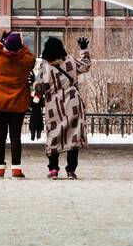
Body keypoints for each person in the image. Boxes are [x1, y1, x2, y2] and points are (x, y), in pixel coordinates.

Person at [34, 35, 92, 179]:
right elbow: (85, 66)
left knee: (54, 135)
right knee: (73, 137)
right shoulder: (71, 62)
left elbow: (37, 89)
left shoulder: (45, 70)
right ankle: (71, 170)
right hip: (73, 104)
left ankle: (53, 169)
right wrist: (83, 50)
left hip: (54, 108)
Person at [0, 31, 35, 178]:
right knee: (15, 137)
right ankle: (16, 169)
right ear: (20, 47)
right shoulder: (26, 62)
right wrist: (22, 46)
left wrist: (1, 42)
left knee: (0, 136)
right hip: (18, 105)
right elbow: (31, 57)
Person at [27, 71, 44, 141]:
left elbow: (30, 104)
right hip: (37, 114)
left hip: (34, 114)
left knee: (34, 129)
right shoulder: (37, 96)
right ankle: (35, 137)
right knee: (37, 129)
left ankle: (35, 137)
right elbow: (42, 104)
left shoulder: (34, 96)